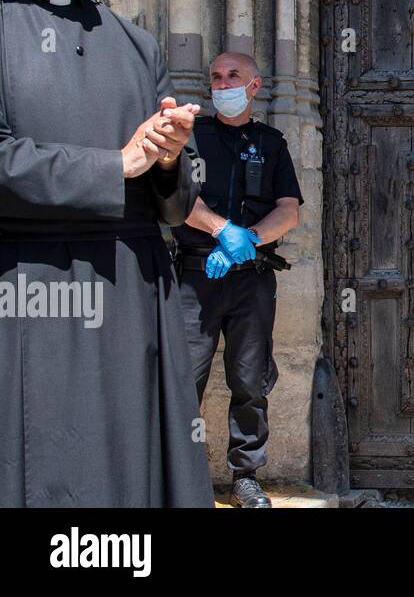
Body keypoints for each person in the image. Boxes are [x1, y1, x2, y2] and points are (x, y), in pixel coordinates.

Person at [0, 0, 213, 506]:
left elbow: (174, 202)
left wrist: (169, 158)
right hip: (35, 294)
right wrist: (111, 165)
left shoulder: (134, 43)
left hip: (132, 292)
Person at [173, 51, 302, 508]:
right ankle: (179, 478)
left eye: (233, 76)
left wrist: (245, 239)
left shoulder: (271, 143)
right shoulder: (193, 139)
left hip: (251, 276)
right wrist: (220, 231)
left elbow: (289, 210)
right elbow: (176, 200)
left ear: (254, 86)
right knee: (184, 378)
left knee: (250, 380)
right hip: (195, 274)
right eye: (215, 77)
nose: (222, 83)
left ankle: (245, 477)